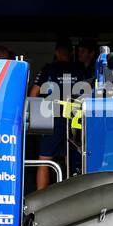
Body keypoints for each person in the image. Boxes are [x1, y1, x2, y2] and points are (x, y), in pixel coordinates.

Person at [29, 39, 79, 189]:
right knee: (73, 162)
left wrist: (32, 117)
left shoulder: (48, 69)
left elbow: (33, 94)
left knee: (44, 160)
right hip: (75, 120)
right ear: (71, 53)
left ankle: (40, 199)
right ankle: (72, 197)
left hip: (52, 119)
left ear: (56, 52)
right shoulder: (79, 69)